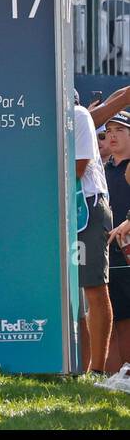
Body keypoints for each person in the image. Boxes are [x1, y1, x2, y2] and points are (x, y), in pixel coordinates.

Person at [74, 97, 115, 373]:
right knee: (72, 296)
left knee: (94, 289)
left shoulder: (78, 115)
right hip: (65, 210)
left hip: (88, 207)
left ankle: (97, 371)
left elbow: (77, 167)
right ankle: (77, 368)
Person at [100, 110, 130, 371]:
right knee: (113, 317)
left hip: (127, 253)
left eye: (119, 130)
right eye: (108, 131)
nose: (112, 136)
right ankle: (112, 379)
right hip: (107, 255)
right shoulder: (101, 170)